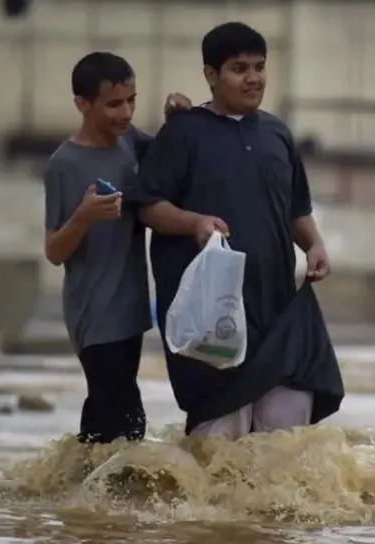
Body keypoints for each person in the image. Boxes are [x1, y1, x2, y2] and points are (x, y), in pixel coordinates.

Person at [136, 22, 345, 440]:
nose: (253, 78)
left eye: (259, 67)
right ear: (211, 75)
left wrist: (315, 244)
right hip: (212, 315)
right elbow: (148, 207)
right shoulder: (183, 132)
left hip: (278, 311)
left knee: (285, 447)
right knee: (218, 451)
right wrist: (193, 223)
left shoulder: (276, 134)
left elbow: (295, 209)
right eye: (238, 68)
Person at [42, 51, 191, 444]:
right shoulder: (65, 164)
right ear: (82, 104)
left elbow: (168, 158)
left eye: (132, 101)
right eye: (113, 104)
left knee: (104, 418)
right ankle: (107, 498)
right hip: (93, 312)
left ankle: (72, 495)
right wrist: (84, 216)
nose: (126, 112)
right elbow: (54, 251)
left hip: (130, 309)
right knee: (127, 422)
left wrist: (176, 121)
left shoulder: (130, 142)